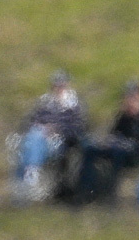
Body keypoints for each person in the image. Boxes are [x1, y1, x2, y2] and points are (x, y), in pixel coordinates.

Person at [65, 80, 139, 205]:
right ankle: (85, 192)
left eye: (134, 98)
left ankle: (109, 195)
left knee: (117, 154)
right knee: (90, 151)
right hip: (118, 148)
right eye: (128, 97)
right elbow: (114, 135)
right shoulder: (123, 117)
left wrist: (132, 143)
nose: (130, 101)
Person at [12, 71, 87, 203]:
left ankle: (30, 174)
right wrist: (40, 127)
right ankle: (26, 183)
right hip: (38, 137)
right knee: (31, 139)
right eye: (56, 85)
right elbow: (31, 121)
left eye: (62, 85)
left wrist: (55, 129)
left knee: (32, 141)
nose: (59, 88)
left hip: (59, 141)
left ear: (67, 85)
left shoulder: (73, 105)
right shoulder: (45, 102)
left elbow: (77, 128)